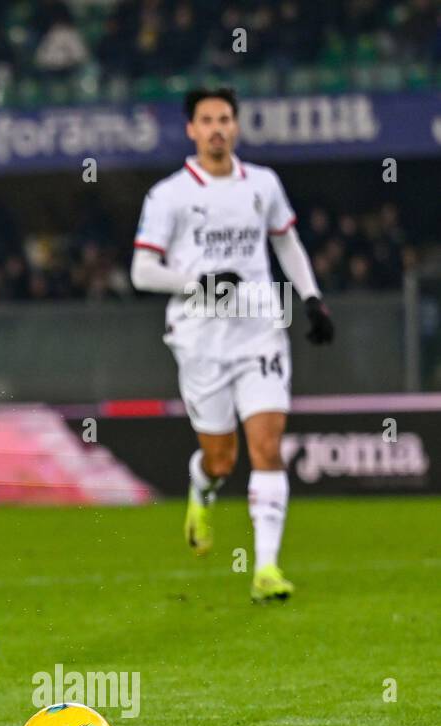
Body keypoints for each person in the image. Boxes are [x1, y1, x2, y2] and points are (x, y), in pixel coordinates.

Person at [130, 87, 333, 602]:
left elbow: (286, 240)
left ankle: (266, 569)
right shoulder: (169, 194)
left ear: (236, 126)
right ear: (191, 130)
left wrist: (311, 298)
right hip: (199, 337)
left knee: (267, 447)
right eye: (206, 120)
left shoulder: (263, 183)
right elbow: (142, 271)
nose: (217, 128)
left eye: (224, 118)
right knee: (221, 459)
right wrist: (198, 283)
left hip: (261, 327)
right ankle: (202, 489)